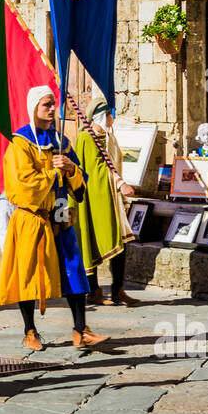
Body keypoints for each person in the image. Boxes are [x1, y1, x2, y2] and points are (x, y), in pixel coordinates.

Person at [0, 87, 109, 351]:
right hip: (32, 216)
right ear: (34, 106)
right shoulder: (19, 143)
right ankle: (30, 330)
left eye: (53, 103)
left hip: (59, 212)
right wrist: (55, 175)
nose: (51, 108)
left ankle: (81, 329)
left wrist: (70, 170)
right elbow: (22, 186)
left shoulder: (62, 142)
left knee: (74, 269)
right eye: (46, 104)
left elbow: (79, 182)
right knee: (29, 275)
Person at [75, 99, 134, 307]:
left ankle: (118, 290)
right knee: (93, 241)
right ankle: (94, 291)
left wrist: (120, 192)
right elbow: (95, 170)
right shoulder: (86, 138)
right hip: (94, 199)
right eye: (110, 114)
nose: (113, 118)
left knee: (122, 242)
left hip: (112, 197)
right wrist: (120, 184)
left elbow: (114, 164)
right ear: (101, 115)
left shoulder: (109, 138)